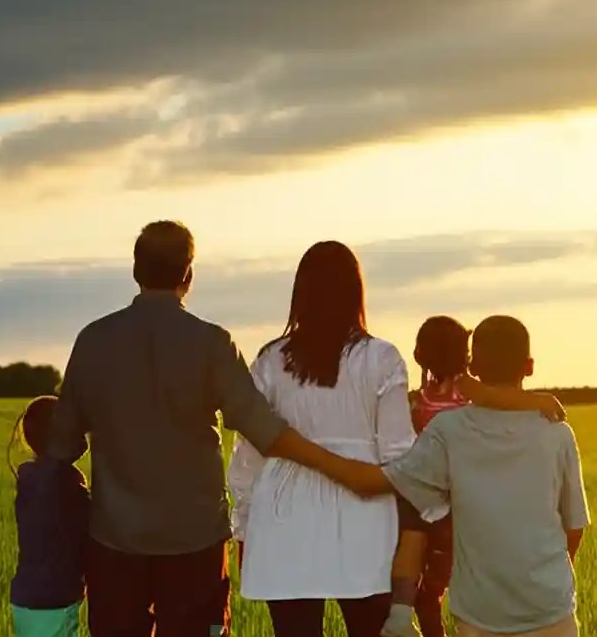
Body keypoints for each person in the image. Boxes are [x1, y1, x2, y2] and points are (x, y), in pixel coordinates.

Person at [226, 247, 563, 637]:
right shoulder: (380, 358)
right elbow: (399, 456)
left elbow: (248, 456)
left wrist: (245, 529)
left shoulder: (269, 360)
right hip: (365, 520)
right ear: (357, 293)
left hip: (284, 521)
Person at [47, 221, 357, 637]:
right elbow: (264, 431)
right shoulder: (213, 343)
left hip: (114, 542)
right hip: (195, 544)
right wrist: (334, 464)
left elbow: (62, 446)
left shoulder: (93, 341)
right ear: (188, 275)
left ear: (136, 270)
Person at [314, 315, 591, 637]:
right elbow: (574, 526)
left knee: (414, 529)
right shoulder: (558, 436)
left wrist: (300, 449)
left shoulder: (448, 429)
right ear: (529, 366)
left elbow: (377, 481)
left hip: (478, 612)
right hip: (550, 606)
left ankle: (402, 614)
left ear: (474, 366)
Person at [383, 316, 474, 637]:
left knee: (425, 595)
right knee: (440, 594)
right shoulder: (475, 401)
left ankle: (400, 615)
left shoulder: (414, 404)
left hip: (419, 506)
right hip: (463, 509)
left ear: (419, 355)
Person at [9, 396, 90, 637]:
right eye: (74, 428)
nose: (82, 435)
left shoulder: (32, 479)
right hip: (52, 601)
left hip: (30, 599)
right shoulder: (62, 482)